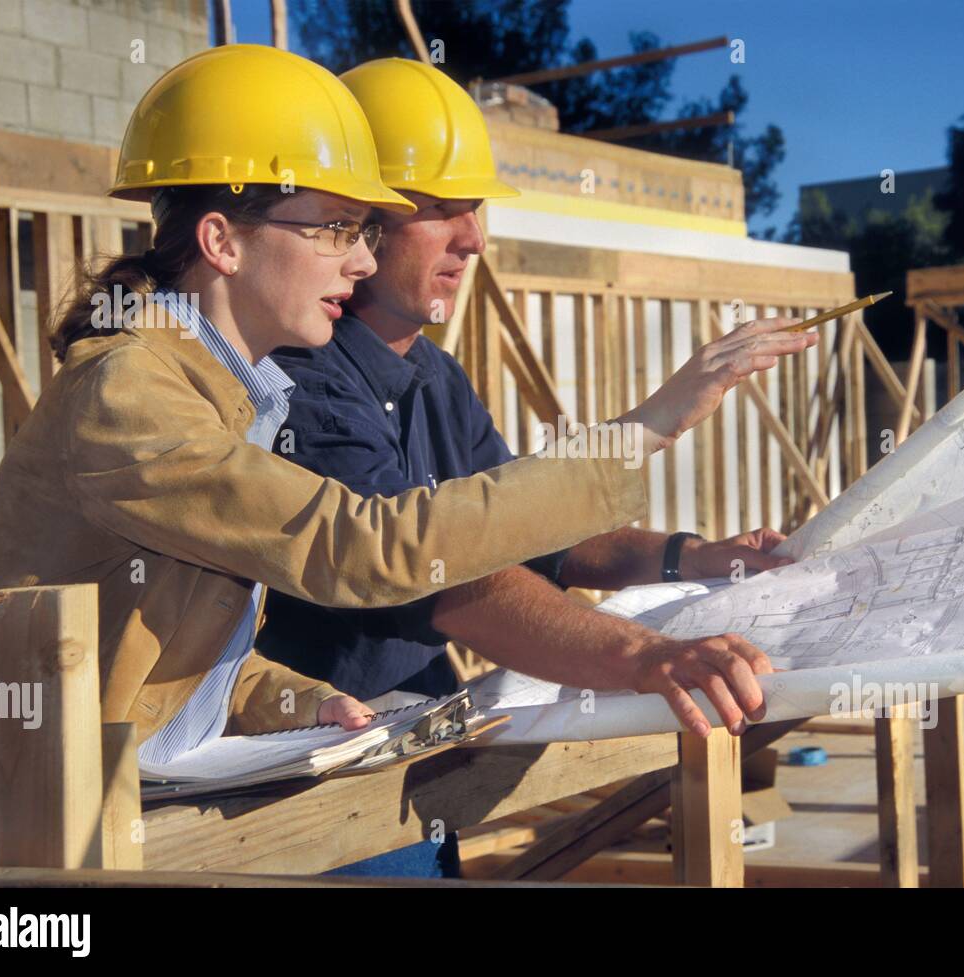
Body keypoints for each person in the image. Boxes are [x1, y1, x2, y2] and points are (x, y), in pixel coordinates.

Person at [0, 45, 812, 860]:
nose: (359, 259)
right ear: (221, 240)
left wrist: (289, 700)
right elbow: (365, 546)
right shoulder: (129, 392)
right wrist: (644, 430)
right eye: (333, 229)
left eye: (365, 229)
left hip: (112, 805)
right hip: (34, 835)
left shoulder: (224, 387)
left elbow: (161, 659)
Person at [258, 59, 816, 877]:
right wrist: (643, 658)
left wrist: (688, 555)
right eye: (442, 209)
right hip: (306, 799)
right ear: (359, 218)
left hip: (409, 770)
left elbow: (533, 531)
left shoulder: (432, 376)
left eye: (474, 207)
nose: (474, 237)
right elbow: (450, 586)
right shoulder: (303, 382)